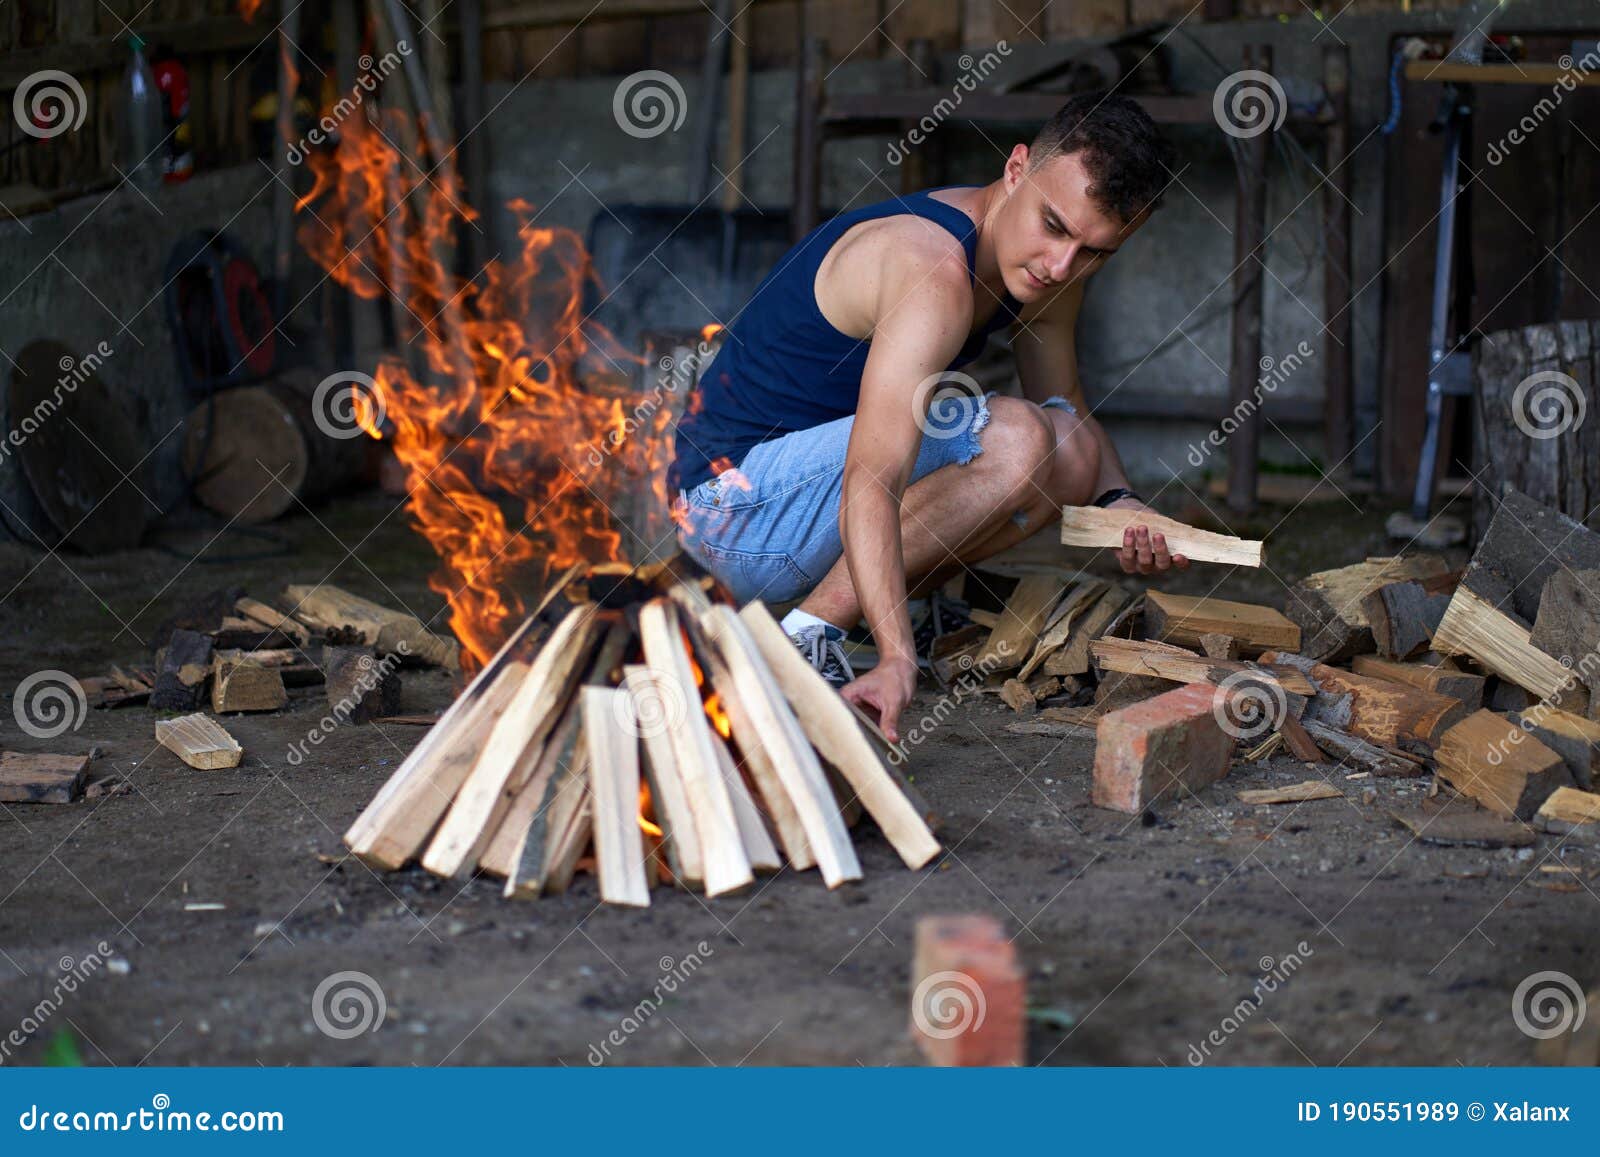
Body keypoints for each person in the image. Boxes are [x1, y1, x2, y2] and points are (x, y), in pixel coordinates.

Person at [670, 92, 1188, 744]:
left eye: (1095, 252)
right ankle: (809, 638)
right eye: (1054, 226)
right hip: (732, 509)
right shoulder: (931, 268)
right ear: (1016, 168)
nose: (1062, 267)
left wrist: (1122, 501)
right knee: (1015, 439)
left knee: (1070, 450)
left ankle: (855, 619)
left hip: (807, 503)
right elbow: (872, 475)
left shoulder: (1049, 266)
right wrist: (897, 658)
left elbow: (1072, 416)